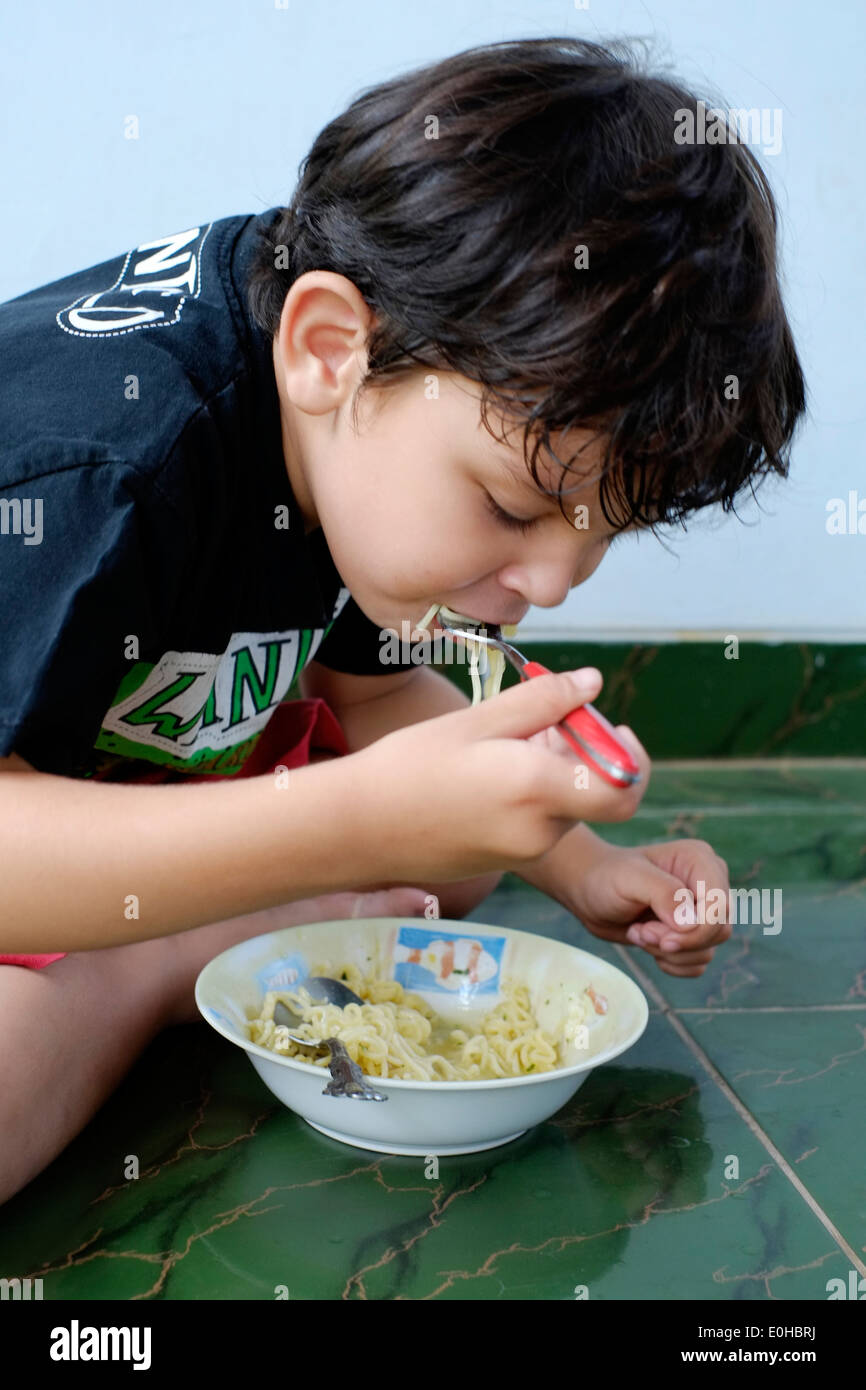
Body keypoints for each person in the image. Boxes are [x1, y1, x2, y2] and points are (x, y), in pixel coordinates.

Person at [0, 36, 805, 1203]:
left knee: (457, 855)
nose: (552, 586)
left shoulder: (365, 396)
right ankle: (161, 965)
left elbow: (370, 691)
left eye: (599, 533)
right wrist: (349, 820)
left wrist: (578, 858)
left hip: (94, 766)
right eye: (509, 506)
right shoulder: (101, 470)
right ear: (329, 351)